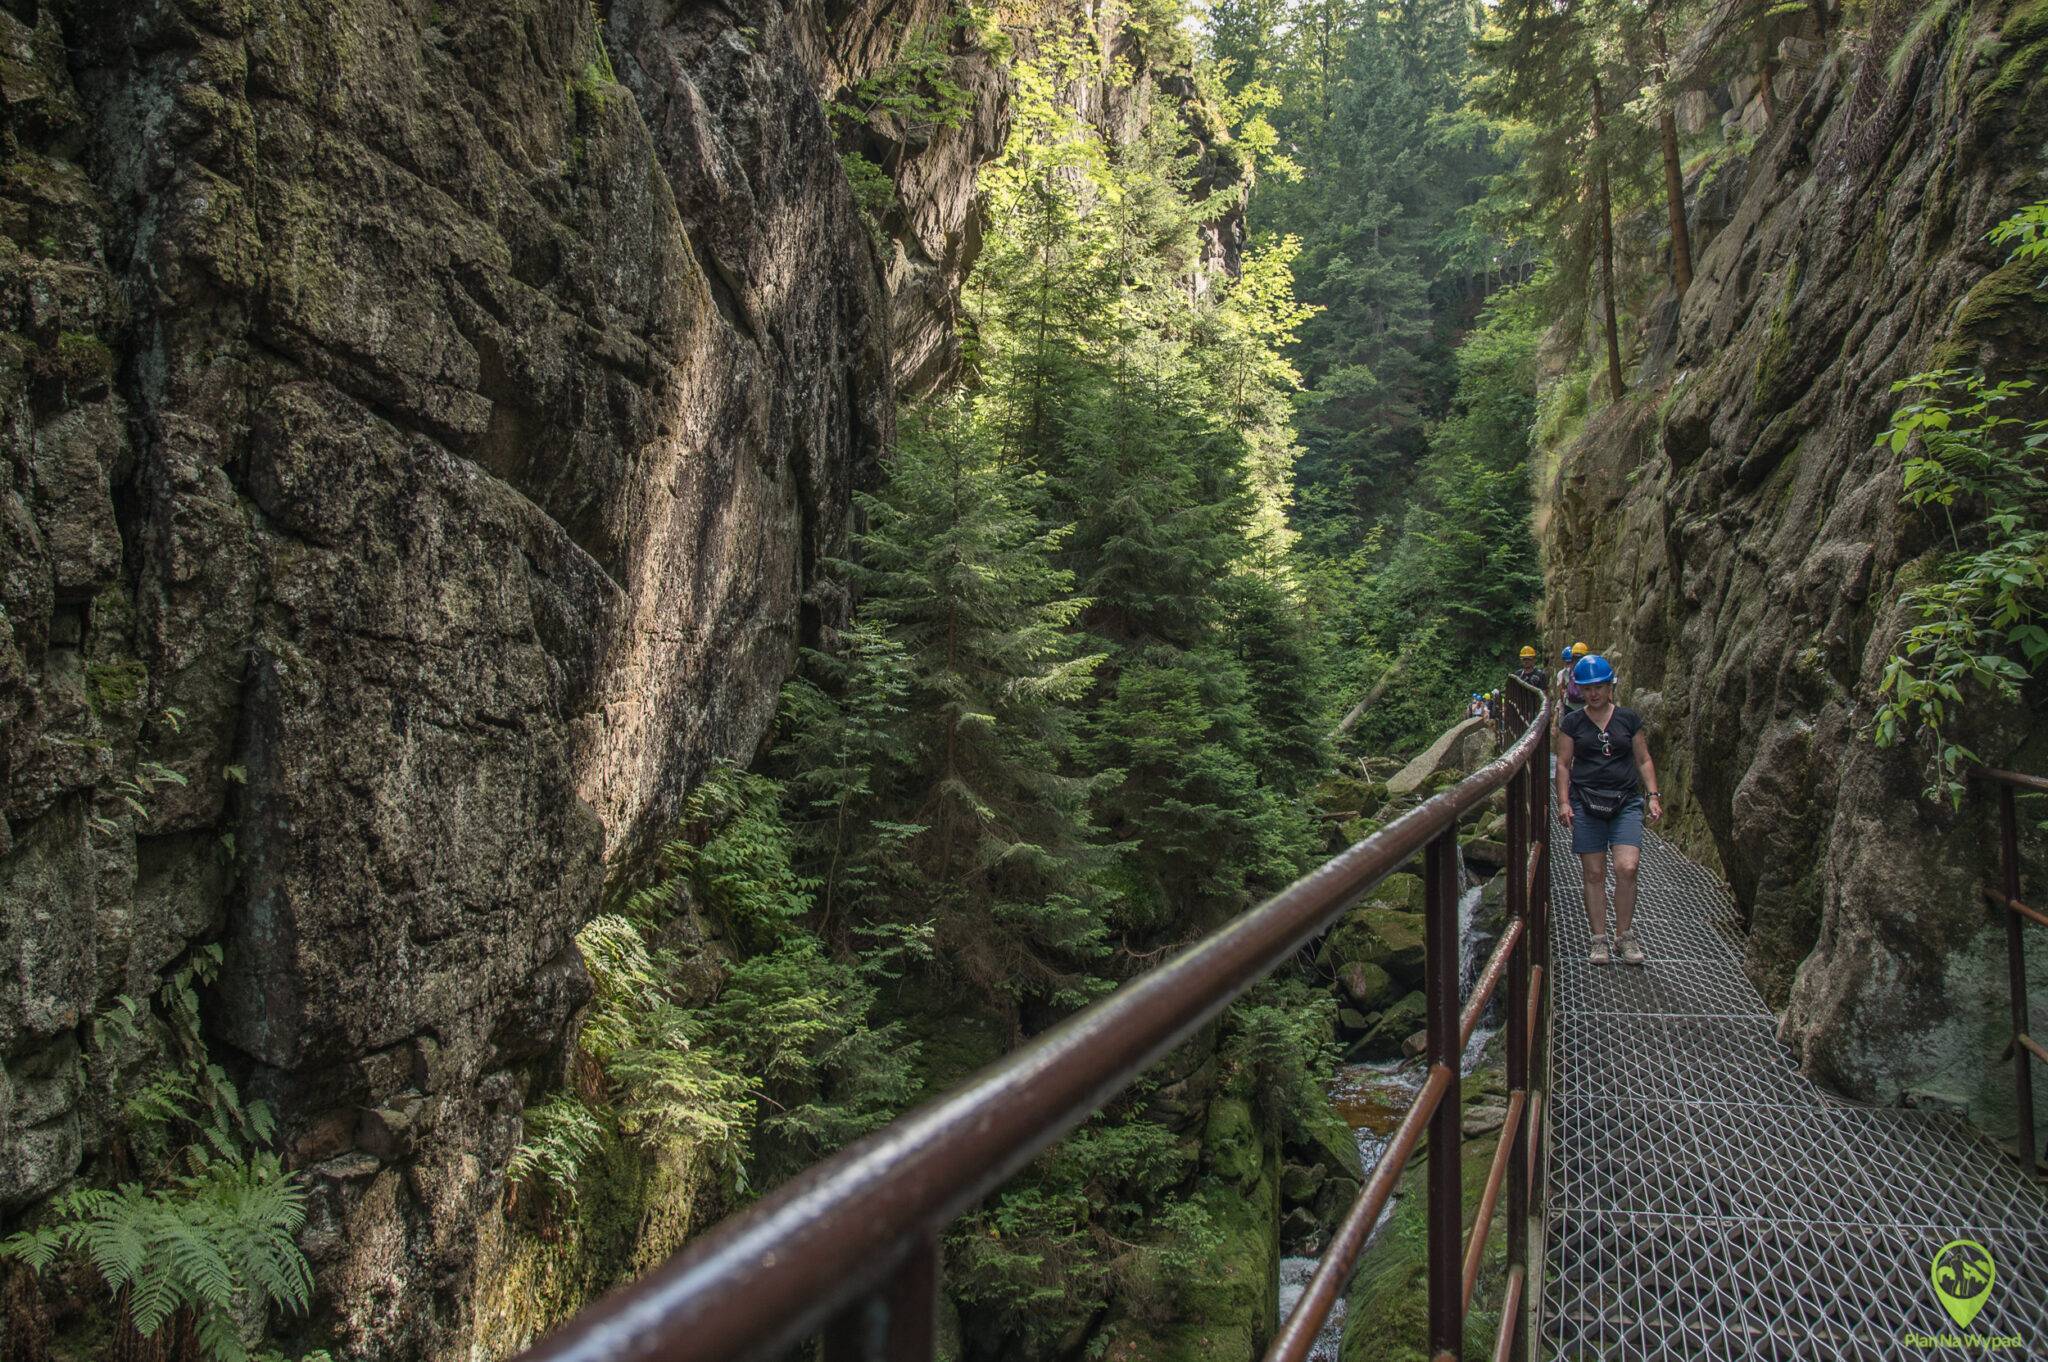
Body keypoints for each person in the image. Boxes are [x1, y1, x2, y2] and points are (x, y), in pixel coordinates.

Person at [1555, 654, 1662, 966]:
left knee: (1627, 867)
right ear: (1580, 690)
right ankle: (1599, 938)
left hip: (1625, 800)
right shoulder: (1572, 723)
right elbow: (1563, 764)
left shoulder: (1628, 719)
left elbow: (1643, 759)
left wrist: (1653, 796)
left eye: (1599, 687)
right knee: (1594, 872)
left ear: (1610, 687)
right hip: (1586, 802)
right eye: (1587, 688)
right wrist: (1563, 801)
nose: (1593, 693)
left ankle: (1624, 935)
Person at [1509, 646, 1546, 726]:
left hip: (1535, 707)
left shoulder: (1540, 675)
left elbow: (1544, 693)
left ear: (1533, 660)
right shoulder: (1518, 674)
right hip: (1521, 707)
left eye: (1528, 659)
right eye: (1524, 659)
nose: (1526, 661)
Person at [1555, 641, 1590, 714]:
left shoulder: (1566, 672)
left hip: (1570, 706)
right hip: (1585, 706)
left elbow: (1562, 689)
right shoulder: (1589, 671)